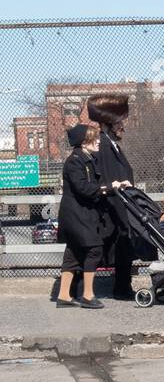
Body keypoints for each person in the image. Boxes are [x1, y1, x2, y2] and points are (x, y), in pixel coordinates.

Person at [55, 125, 129, 308]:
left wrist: (114, 185)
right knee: (94, 249)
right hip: (77, 214)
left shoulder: (87, 159)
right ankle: (88, 295)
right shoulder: (75, 162)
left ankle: (64, 296)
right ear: (83, 142)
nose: (98, 142)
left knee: (73, 253)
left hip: (82, 214)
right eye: (94, 139)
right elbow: (84, 189)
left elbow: (94, 185)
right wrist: (110, 188)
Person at [87, 92, 137, 299]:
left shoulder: (109, 143)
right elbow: (109, 178)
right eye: (120, 121)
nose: (123, 125)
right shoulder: (105, 146)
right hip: (115, 209)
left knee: (117, 250)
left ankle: (121, 287)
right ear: (110, 122)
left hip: (119, 207)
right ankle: (121, 288)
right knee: (117, 248)